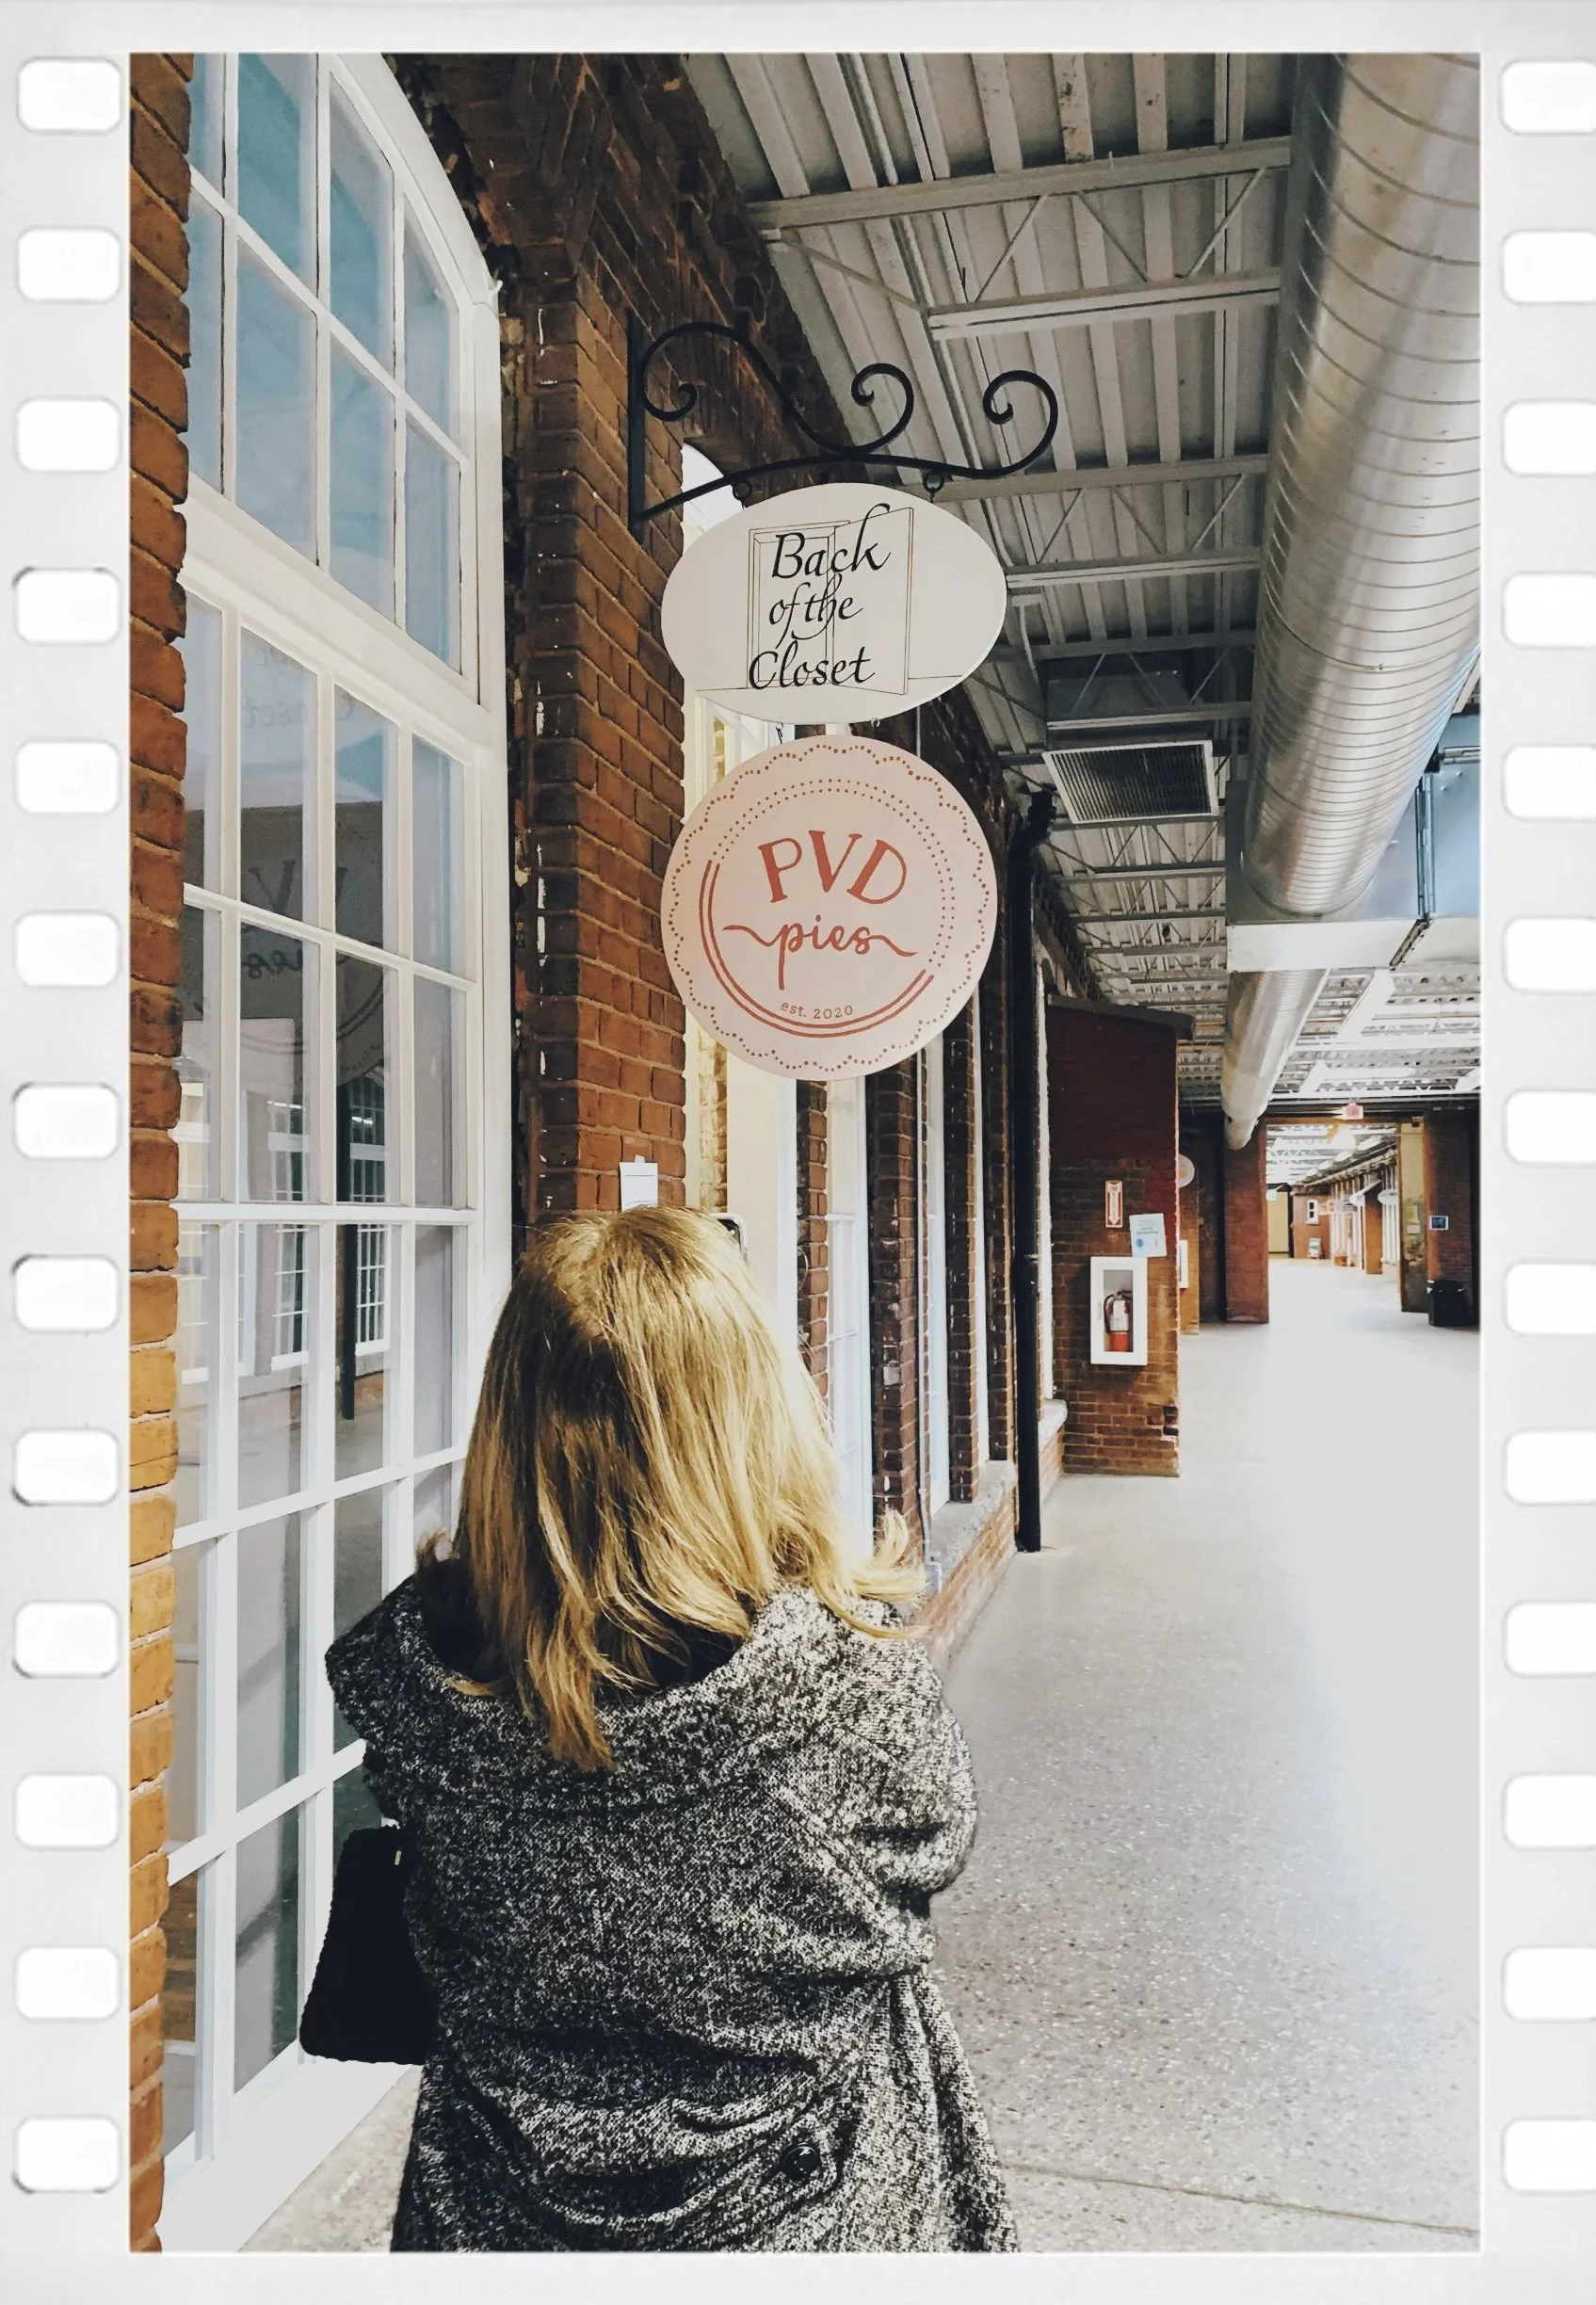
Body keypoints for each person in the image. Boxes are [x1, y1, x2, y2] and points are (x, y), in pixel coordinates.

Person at [326, 1204, 1016, 2253]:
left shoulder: (420, 1699)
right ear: (754, 1412)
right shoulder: (852, 1699)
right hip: (820, 2211)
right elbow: (931, 1840)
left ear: (511, 1426)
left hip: (494, 2219)